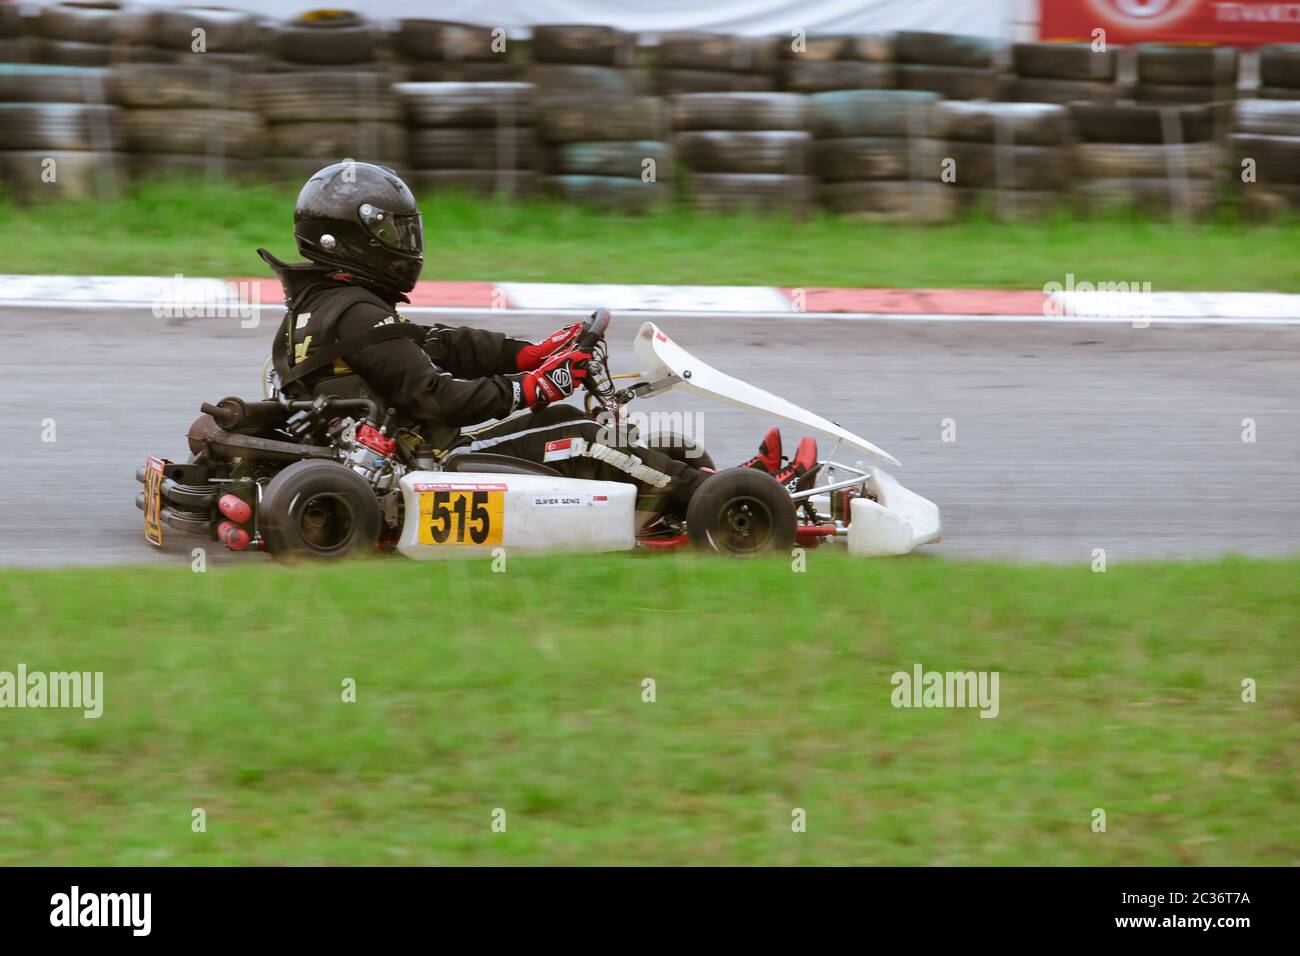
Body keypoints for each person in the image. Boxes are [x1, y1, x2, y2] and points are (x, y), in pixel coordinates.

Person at [259, 161, 817, 513]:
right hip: (425, 466)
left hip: (414, 448)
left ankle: (727, 483)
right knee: (581, 432)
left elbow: (436, 345)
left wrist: (529, 354)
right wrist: (534, 388)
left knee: (632, 440)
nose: (403, 243)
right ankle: (742, 502)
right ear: (351, 239)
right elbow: (434, 395)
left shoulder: (320, 308)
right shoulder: (353, 312)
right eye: (388, 231)